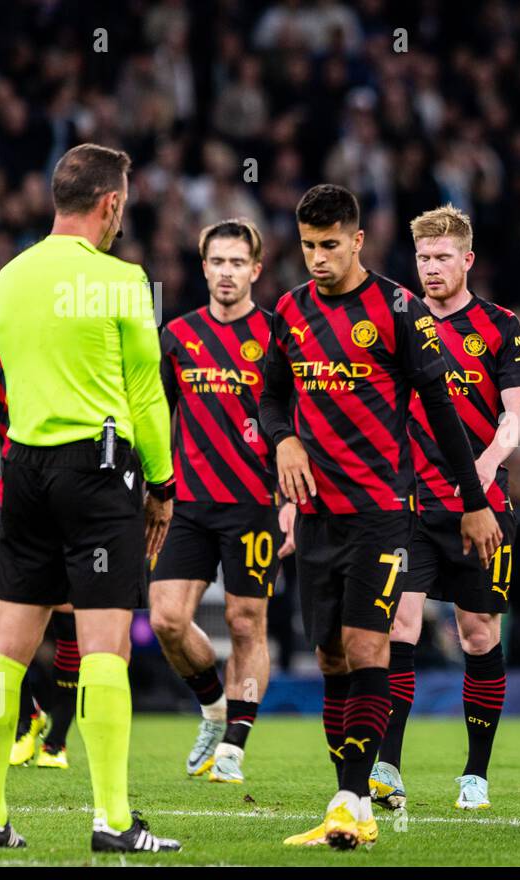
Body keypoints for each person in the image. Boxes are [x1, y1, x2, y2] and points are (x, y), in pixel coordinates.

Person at [260, 185, 501, 850]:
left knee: (370, 647)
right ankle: (357, 804)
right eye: (308, 245)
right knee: (331, 658)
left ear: (358, 241)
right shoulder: (290, 311)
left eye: (330, 245)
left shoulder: (399, 309)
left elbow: (443, 412)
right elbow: (271, 396)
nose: (317, 258)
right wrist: (282, 438)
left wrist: (474, 502)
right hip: (316, 517)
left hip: (382, 513)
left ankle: (347, 798)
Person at [0, 143, 180, 853]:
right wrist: (163, 482)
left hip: (23, 471)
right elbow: (147, 395)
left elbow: (3, 394)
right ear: (110, 203)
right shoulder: (122, 281)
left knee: (4, 649)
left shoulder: (7, 278)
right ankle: (112, 820)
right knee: (103, 648)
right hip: (95, 471)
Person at [368, 205, 520, 812]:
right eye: (423, 257)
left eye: (442, 257)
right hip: (407, 506)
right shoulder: (395, 322)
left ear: (467, 260)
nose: (431, 268)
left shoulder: (500, 325)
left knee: (477, 633)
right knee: (399, 626)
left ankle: (476, 774)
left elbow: (517, 412)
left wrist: (487, 465)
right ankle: (387, 767)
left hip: (480, 510)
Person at [149, 218, 295, 784]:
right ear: (203, 266)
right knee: (165, 619)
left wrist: (292, 502)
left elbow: (297, 424)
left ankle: (234, 743)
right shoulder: (178, 336)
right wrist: (150, 491)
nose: (227, 272)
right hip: (186, 503)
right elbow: (155, 416)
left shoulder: (278, 337)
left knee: (244, 623)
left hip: (253, 502)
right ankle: (212, 706)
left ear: (256, 270)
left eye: (238, 263)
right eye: (217, 262)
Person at [0, 345, 79, 770]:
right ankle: (27, 715)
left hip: (68, 503)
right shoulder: (0, 355)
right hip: (10, 506)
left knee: (68, 616)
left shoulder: (75, 346)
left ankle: (58, 740)